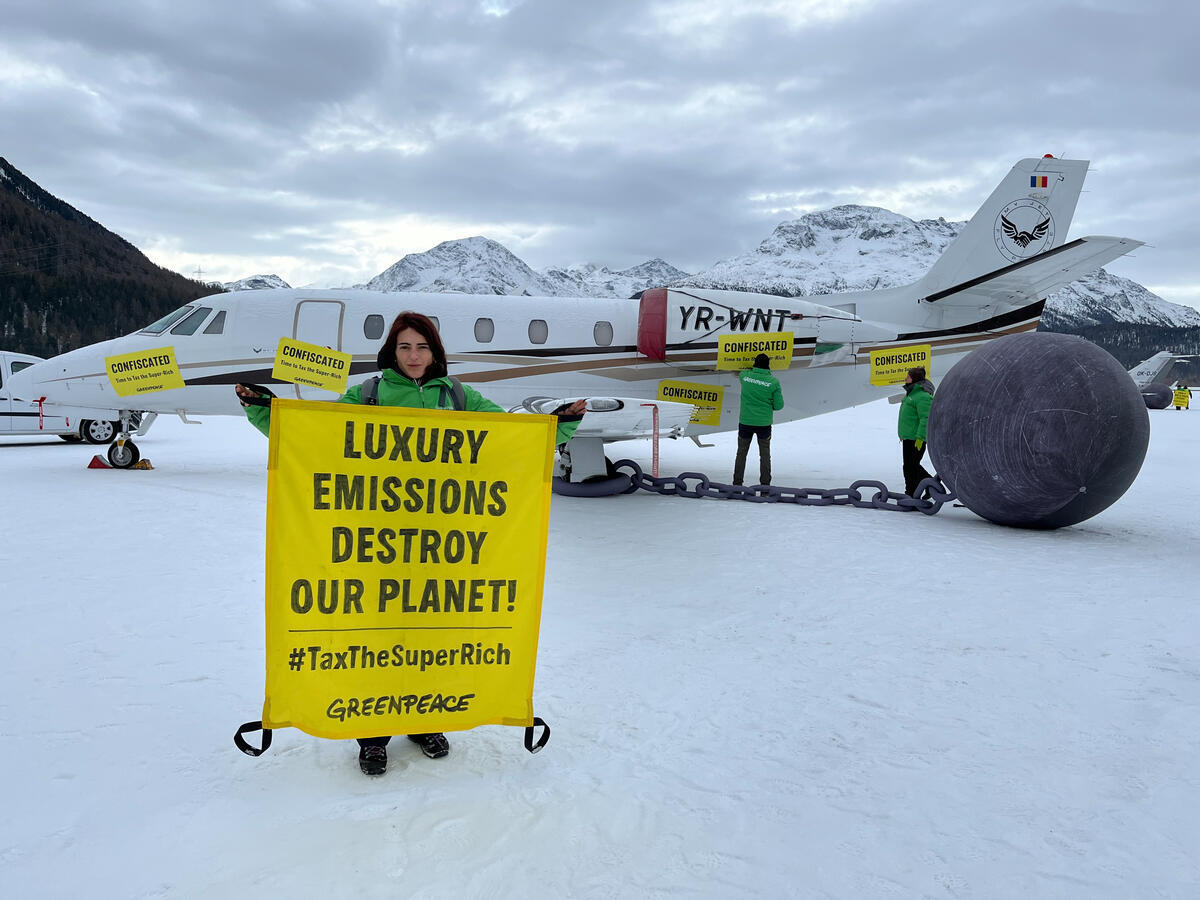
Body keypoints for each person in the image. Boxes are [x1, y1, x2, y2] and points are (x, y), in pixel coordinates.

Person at [236, 311, 586, 776]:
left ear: (435, 352)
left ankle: (426, 721)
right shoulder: (368, 394)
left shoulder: (459, 397)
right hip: (376, 540)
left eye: (422, 347)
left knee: (433, 635)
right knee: (375, 637)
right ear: (392, 351)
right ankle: (372, 734)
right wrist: (265, 409)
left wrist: (559, 425)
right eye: (404, 347)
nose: (414, 356)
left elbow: (512, 439)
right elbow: (313, 434)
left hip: (441, 543)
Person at [732, 353, 785, 486]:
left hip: (745, 422)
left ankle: (737, 484)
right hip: (764, 424)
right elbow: (779, 406)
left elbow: (739, 372)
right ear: (768, 365)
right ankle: (765, 487)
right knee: (765, 455)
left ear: (754, 363)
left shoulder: (745, 377)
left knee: (741, 454)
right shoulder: (773, 382)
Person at [898, 365, 935, 497]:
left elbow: (926, 419)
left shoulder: (923, 397)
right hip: (908, 437)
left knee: (911, 467)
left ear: (914, 379)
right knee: (910, 466)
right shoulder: (911, 394)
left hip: (916, 439)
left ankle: (912, 493)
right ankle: (928, 486)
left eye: (908, 377)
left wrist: (920, 438)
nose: (906, 379)